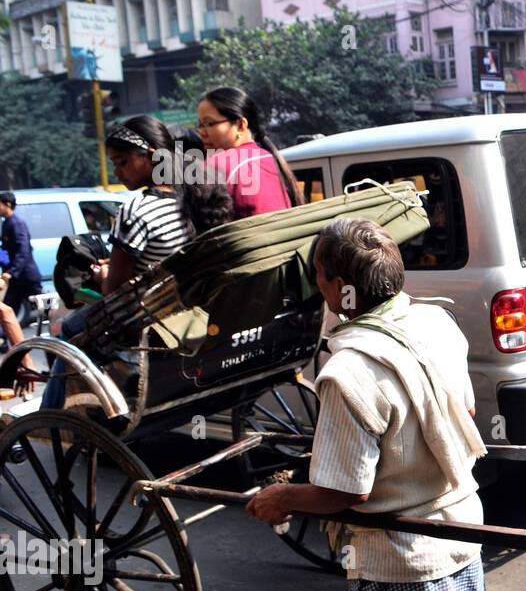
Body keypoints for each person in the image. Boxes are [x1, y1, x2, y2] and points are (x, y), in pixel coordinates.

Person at [245, 219, 490, 591]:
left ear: (338, 288)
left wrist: (283, 495)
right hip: (464, 528)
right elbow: (464, 413)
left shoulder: (347, 372)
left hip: (405, 560)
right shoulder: (436, 323)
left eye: (319, 276)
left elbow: (345, 489)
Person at [41, 116, 232, 409]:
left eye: (122, 162)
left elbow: (112, 289)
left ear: (152, 157)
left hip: (143, 318)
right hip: (186, 309)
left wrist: (102, 273)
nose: (117, 172)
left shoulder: (136, 208)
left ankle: (49, 415)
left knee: (68, 328)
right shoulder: (194, 198)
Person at [197, 86, 303, 219]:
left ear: (241, 125)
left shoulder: (217, 164)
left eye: (210, 123)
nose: (201, 132)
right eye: (200, 125)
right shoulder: (268, 158)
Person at [0, 191, 43, 326]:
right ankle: (5, 342)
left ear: (7, 204)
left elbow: (22, 251)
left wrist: (11, 272)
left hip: (26, 276)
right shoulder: (7, 223)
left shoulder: (16, 224)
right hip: (17, 279)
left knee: (46, 308)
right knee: (8, 311)